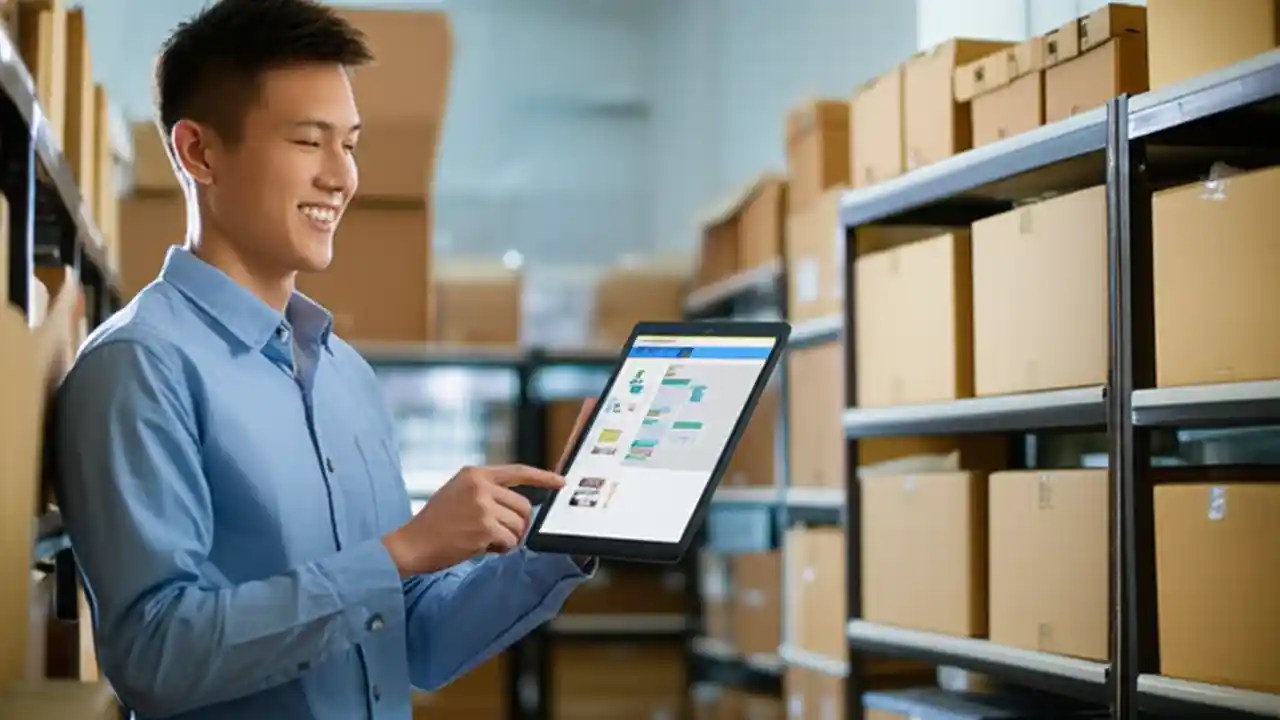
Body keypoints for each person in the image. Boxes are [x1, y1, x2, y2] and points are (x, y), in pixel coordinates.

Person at [52, 1, 595, 718]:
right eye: (310, 141)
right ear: (198, 152)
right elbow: (155, 655)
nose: (342, 177)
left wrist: (564, 539)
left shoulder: (347, 378)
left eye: (352, 144)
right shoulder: (139, 369)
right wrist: (403, 550)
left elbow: (416, 642)